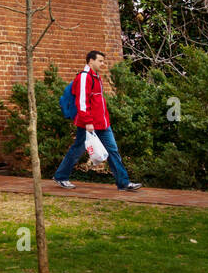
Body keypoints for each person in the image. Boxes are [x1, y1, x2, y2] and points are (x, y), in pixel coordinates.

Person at [54, 50, 142, 191]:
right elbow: (82, 102)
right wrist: (88, 122)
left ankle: (123, 183)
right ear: (90, 61)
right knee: (77, 150)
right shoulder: (85, 77)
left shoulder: (95, 77)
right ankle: (61, 177)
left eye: (103, 61)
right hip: (88, 124)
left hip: (102, 123)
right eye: (100, 61)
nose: (103, 64)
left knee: (112, 150)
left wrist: (105, 120)